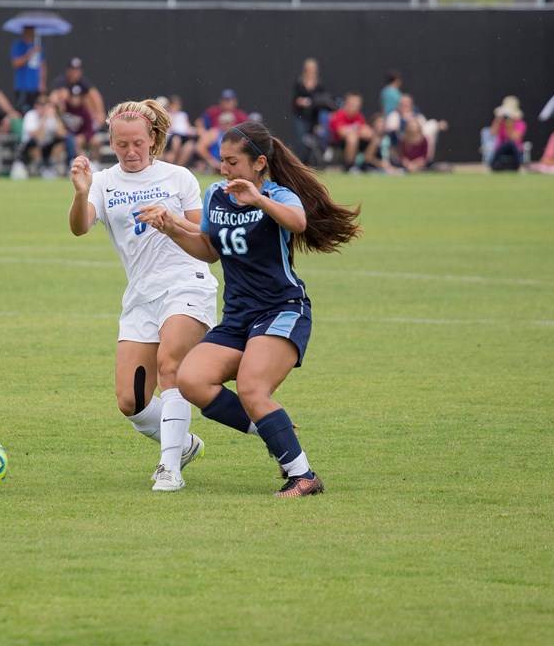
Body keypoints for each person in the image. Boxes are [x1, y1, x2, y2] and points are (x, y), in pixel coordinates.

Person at [136, 120, 362, 498]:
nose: (224, 170)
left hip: (280, 309)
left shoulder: (279, 195)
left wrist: (258, 199)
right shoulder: (216, 195)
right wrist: (172, 229)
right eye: (221, 161)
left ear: (259, 163)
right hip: (238, 316)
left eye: (232, 162)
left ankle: (303, 475)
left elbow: (298, 222)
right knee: (191, 380)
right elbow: (210, 250)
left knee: (252, 388)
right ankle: (277, 432)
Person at [67, 98, 217, 491]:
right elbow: (80, 227)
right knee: (130, 401)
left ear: (152, 139)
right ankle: (181, 443)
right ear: (111, 142)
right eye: (121, 145)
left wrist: (171, 221)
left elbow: (204, 239)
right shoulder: (103, 182)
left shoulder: (178, 177)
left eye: (137, 143)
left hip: (186, 282)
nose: (130, 152)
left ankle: (169, 468)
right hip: (140, 296)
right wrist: (81, 193)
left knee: (172, 365)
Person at [292, 59, 332, 166]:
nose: (311, 71)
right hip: (301, 116)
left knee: (316, 140)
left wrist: (314, 103)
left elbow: (324, 99)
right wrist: (305, 102)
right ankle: (300, 164)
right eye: (308, 69)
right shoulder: (299, 82)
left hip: (315, 118)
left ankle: (317, 163)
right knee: (301, 139)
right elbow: (295, 100)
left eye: (313, 69)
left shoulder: (320, 83)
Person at [19, 93, 70, 176]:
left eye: (46, 104)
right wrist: (43, 119)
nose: (43, 107)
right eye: (40, 104)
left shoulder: (51, 116)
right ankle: (40, 167)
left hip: (45, 147)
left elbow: (62, 134)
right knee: (34, 143)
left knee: (61, 142)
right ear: (35, 106)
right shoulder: (30, 115)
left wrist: (55, 116)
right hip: (28, 149)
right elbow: (36, 136)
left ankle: (51, 166)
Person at [327, 92, 377, 172]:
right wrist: (359, 132)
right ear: (347, 104)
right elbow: (342, 133)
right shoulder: (339, 115)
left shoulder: (359, 116)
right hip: (338, 144)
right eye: (353, 104)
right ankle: (349, 167)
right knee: (352, 138)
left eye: (358, 105)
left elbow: (367, 132)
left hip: (357, 142)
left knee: (374, 137)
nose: (355, 107)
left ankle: (366, 165)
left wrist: (362, 132)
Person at [197, 88, 243, 162]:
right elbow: (200, 122)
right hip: (214, 142)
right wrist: (203, 133)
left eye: (229, 101)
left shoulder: (241, 116)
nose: (226, 103)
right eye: (224, 101)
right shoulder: (212, 112)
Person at [486, 95, 526, 171]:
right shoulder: (500, 122)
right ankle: (491, 165)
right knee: (505, 145)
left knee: (510, 144)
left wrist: (509, 126)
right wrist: (497, 121)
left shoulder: (520, 123)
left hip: (515, 149)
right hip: (501, 148)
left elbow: (514, 138)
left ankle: (520, 165)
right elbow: (492, 133)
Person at [10, 26, 45, 109]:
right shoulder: (17, 45)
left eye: (32, 31)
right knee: (21, 111)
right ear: (24, 32)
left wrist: (42, 82)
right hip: (22, 86)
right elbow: (16, 63)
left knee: (37, 110)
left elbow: (42, 65)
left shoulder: (39, 47)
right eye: (28, 31)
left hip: (35, 87)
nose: (30, 34)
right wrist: (31, 53)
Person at [161, 94, 198, 169]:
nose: (176, 107)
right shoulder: (167, 115)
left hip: (184, 136)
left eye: (177, 105)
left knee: (190, 145)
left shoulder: (183, 115)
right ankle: (172, 155)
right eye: (174, 105)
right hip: (171, 137)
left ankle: (179, 167)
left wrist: (192, 131)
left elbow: (188, 127)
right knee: (176, 140)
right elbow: (168, 128)